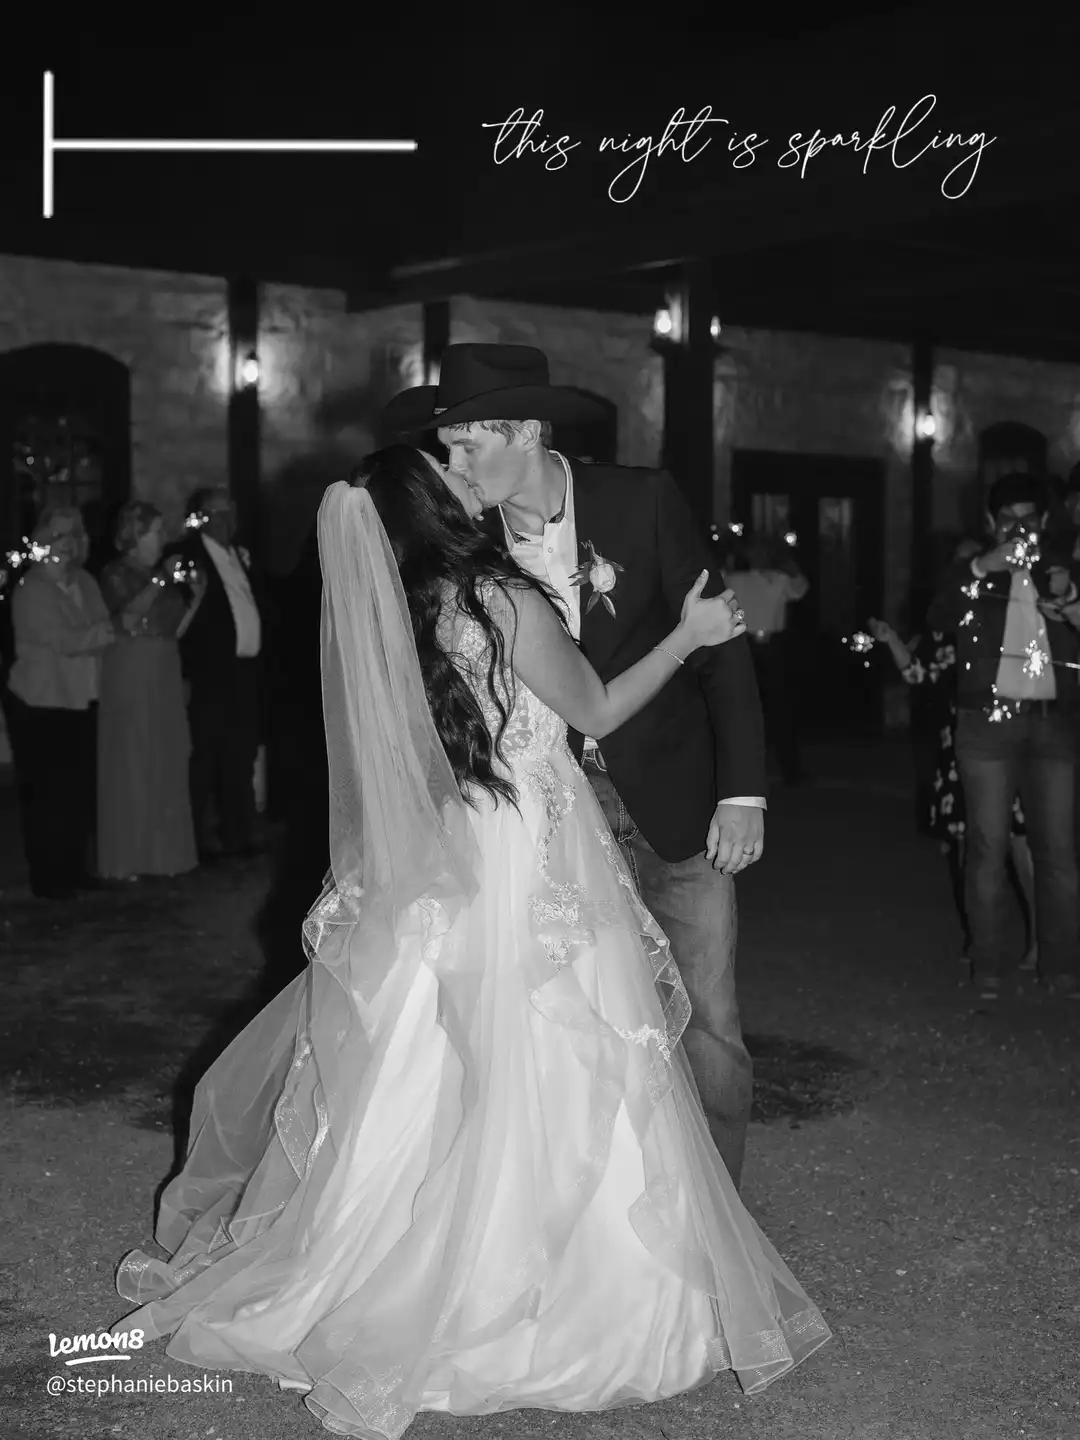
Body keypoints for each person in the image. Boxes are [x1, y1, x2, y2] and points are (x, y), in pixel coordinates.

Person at [109, 446, 830, 1434]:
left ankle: (399, 1261)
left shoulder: (414, 604)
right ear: (434, 504)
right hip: (531, 843)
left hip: (463, 840)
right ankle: (550, 1286)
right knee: (558, 1047)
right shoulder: (498, 596)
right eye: (448, 470)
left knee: (446, 1056)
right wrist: (688, 636)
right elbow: (595, 707)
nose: (466, 470)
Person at [384, 344, 767, 1192]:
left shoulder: (642, 499)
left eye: (466, 444)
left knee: (710, 1020)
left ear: (525, 431)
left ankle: (720, 1215)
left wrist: (743, 791)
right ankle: (618, 1208)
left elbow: (721, 645)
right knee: (581, 1019)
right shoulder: (463, 537)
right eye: (447, 448)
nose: (454, 465)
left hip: (672, 797)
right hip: (544, 818)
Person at [927, 472, 1080, 999]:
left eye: (1029, 518)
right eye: (1008, 519)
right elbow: (938, 617)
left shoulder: (1062, 568)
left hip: (1053, 723)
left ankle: (1062, 966)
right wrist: (979, 568)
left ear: (1045, 520)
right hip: (985, 725)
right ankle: (988, 964)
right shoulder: (971, 571)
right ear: (991, 522)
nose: (1019, 528)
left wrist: (1068, 594)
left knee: (1058, 852)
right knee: (988, 848)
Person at [4, 506, 114, 899]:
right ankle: (48, 877)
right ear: (42, 542)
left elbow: (99, 630)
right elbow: (68, 641)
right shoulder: (31, 589)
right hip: (40, 703)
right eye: (57, 535)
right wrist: (107, 630)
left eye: (73, 534)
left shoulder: (84, 580)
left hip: (82, 698)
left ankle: (74, 869)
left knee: (78, 789)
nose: (66, 543)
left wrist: (102, 633)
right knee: (46, 793)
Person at [96, 502, 206, 880]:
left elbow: (172, 630)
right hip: (131, 669)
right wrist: (160, 579)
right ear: (135, 534)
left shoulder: (159, 575)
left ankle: (165, 855)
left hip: (163, 665)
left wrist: (196, 597)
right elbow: (127, 619)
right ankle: (128, 858)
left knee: (166, 755)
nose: (162, 538)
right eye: (156, 531)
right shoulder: (116, 572)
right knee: (133, 757)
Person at [168, 487, 268, 861]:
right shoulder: (186, 556)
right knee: (204, 756)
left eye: (231, 513)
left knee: (240, 754)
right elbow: (179, 617)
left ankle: (238, 833)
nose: (228, 522)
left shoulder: (239, 555)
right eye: (218, 514)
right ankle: (199, 840)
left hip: (244, 672)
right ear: (201, 518)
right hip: (208, 674)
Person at [724, 533, 809, 785]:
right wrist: (729, 556)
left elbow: (801, 588)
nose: (758, 556)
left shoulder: (780, 579)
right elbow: (715, 581)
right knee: (743, 709)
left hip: (773, 647)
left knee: (780, 707)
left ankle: (790, 770)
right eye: (754, 551)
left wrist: (789, 564)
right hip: (744, 645)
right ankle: (741, 771)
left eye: (763, 551)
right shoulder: (736, 579)